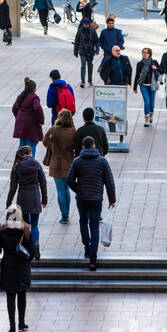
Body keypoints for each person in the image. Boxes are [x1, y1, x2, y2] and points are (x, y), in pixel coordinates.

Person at [66, 135, 116, 271]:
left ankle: (87, 248)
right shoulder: (102, 161)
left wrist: (78, 190)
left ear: (83, 147)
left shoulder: (77, 161)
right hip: (96, 199)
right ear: (94, 146)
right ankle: (93, 260)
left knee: (83, 221)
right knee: (94, 226)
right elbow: (109, 182)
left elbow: (69, 179)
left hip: (82, 198)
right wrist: (112, 199)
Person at [0, 204, 37, 332]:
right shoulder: (26, 229)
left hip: (8, 265)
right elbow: (32, 251)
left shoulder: (2, 230)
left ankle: (12, 327)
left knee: (10, 295)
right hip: (22, 266)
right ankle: (21, 323)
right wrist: (28, 258)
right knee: (22, 294)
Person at [5, 145, 49, 247]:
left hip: (23, 197)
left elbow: (13, 187)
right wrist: (44, 199)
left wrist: (9, 202)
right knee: (35, 226)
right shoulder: (36, 164)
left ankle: (27, 247)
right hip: (35, 196)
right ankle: (36, 246)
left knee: (24, 225)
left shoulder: (18, 166)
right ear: (30, 154)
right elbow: (43, 182)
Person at [42, 109, 76, 225]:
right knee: (67, 190)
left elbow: (44, 143)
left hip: (56, 164)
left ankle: (64, 215)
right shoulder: (73, 131)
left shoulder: (53, 130)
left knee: (60, 190)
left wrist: (51, 138)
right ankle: (67, 212)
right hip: (70, 164)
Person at [12, 78, 45, 157]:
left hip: (21, 124)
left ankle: (20, 161)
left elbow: (14, 108)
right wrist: (40, 120)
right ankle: (30, 162)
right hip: (31, 125)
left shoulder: (21, 96)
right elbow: (37, 108)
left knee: (22, 144)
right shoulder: (34, 97)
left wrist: (18, 117)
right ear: (33, 88)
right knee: (31, 145)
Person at [133, 47, 161, 127]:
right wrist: (135, 87)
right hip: (143, 86)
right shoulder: (140, 64)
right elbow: (137, 75)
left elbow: (161, 70)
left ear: (149, 54)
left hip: (152, 86)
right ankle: (146, 119)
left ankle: (150, 116)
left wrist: (155, 68)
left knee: (152, 105)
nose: (144, 54)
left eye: (146, 52)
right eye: (143, 52)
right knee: (147, 102)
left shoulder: (154, 62)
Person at [73, 18, 99, 87]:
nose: (86, 25)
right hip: (82, 51)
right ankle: (83, 81)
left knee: (90, 66)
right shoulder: (80, 31)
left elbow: (96, 41)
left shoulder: (92, 31)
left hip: (90, 52)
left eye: (87, 24)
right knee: (83, 66)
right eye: (85, 24)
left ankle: (90, 80)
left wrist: (97, 50)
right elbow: (77, 42)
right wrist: (75, 52)